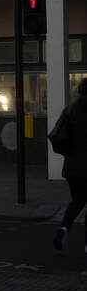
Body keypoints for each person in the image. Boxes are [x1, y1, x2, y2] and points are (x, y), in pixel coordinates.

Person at [52, 78, 87, 250]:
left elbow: (57, 135)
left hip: (72, 167)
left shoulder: (69, 110)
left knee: (77, 201)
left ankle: (64, 228)